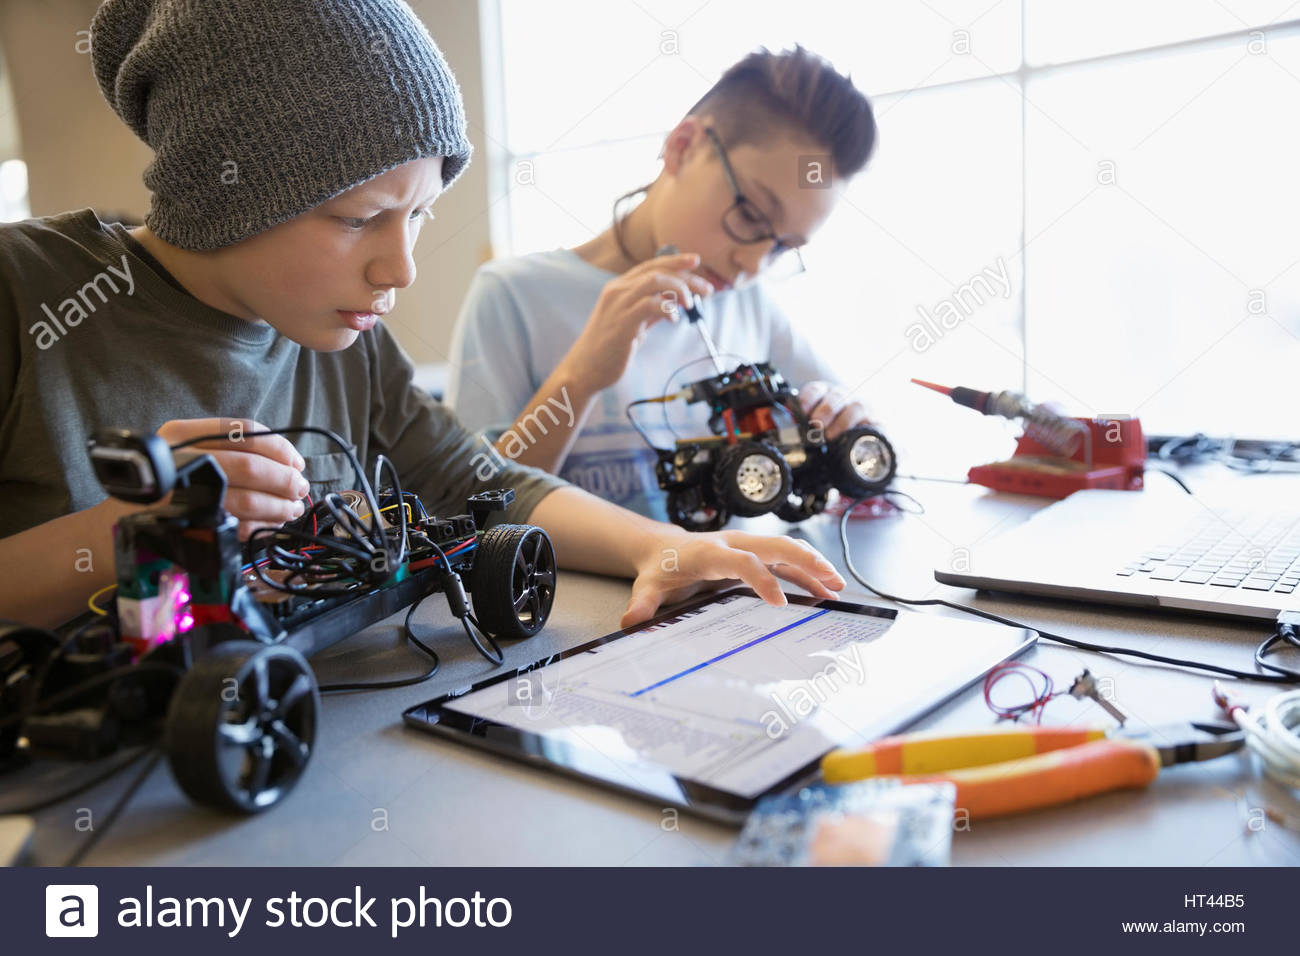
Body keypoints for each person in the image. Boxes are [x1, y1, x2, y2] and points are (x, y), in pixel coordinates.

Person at [0, 0, 845, 633]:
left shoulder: (343, 338)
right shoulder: (22, 291)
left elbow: (476, 482)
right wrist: (126, 531)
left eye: (419, 216)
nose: (399, 268)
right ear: (220, 190)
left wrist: (652, 547)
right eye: (359, 218)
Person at [447, 46, 879, 522]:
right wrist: (579, 378)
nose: (752, 264)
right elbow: (472, 512)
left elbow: (866, 457)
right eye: (751, 214)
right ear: (682, 147)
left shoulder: (748, 303)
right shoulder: (512, 296)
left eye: (783, 247)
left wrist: (841, 414)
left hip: (747, 591)